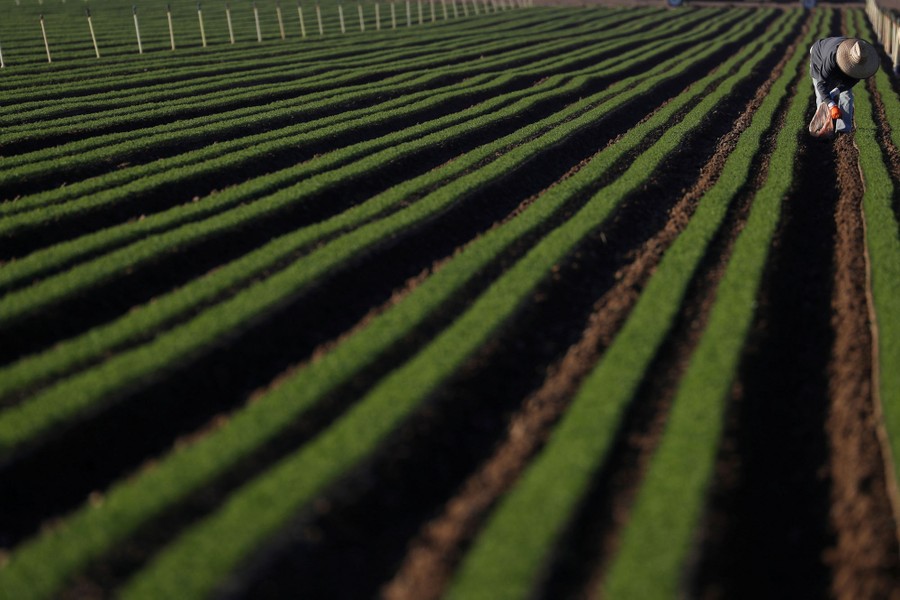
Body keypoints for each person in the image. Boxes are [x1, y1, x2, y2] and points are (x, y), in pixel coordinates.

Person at [809, 37, 880, 134]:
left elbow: (850, 82)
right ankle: (823, 129)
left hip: (840, 62)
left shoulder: (862, 63)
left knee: (847, 95)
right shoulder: (832, 57)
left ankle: (843, 130)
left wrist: (835, 91)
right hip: (819, 57)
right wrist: (831, 104)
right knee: (822, 98)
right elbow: (821, 84)